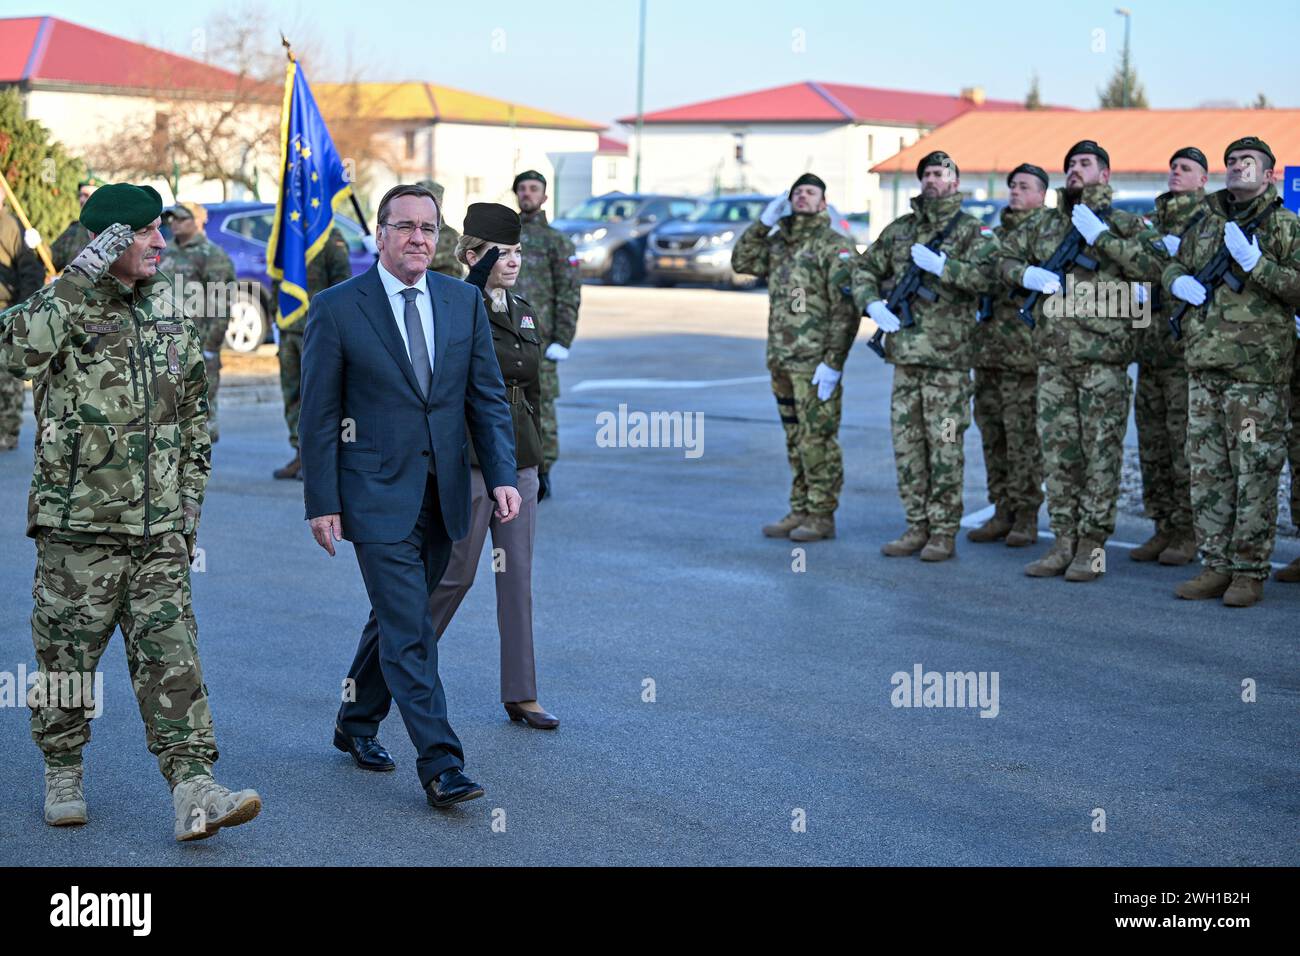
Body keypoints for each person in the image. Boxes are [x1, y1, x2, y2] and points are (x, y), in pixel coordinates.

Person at [0, 183, 261, 841]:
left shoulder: (171, 306)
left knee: (174, 663)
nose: (157, 240)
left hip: (160, 534)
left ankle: (193, 788)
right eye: (142, 232)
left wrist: (189, 503)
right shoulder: (65, 306)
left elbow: (197, 416)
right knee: (65, 662)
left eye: (159, 229)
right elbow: (13, 352)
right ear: (108, 240)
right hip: (77, 531)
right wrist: (78, 278)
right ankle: (63, 769)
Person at [300, 183, 521, 808]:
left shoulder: (460, 301)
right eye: (405, 227)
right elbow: (318, 415)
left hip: (444, 491)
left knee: (398, 619)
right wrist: (322, 501)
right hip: (372, 494)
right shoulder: (339, 307)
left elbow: (486, 398)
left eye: (428, 228)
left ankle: (355, 719)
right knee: (409, 628)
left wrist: (501, 474)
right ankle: (441, 762)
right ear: (380, 234)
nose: (419, 238)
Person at [999, 140, 1164, 582]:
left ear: (1105, 175)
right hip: (1052, 363)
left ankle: (1092, 547)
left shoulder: (1127, 223)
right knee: (1059, 458)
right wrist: (1024, 274)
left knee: (1100, 459)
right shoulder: (1046, 225)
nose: (1075, 170)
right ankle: (1063, 542)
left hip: (1103, 364)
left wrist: (1102, 239)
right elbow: (1000, 256)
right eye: (1070, 163)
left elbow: (1156, 266)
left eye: (1085, 163)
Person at [426, 203, 558, 729]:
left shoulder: (523, 309)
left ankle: (522, 694)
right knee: (455, 574)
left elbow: (535, 389)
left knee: (517, 577)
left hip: (518, 456)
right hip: (473, 457)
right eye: (502, 253)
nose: (514, 261)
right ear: (472, 254)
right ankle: (396, 667)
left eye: (519, 252)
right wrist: (474, 278)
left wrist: (542, 460)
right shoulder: (453, 301)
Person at [1163, 137, 1300, 607]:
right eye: (1231, 161)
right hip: (1204, 369)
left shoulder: (1284, 225)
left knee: (1254, 472)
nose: (1237, 167)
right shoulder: (1203, 222)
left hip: (1255, 374)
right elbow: (1174, 265)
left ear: (1269, 175)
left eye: (1248, 162)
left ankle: (1248, 570)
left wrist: (1256, 265)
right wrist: (1175, 280)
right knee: (1207, 473)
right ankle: (1215, 565)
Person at [852, 152, 1001, 560]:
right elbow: (864, 269)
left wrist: (944, 267)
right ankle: (916, 525)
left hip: (949, 363)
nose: (933, 179)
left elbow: (990, 279)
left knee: (946, 446)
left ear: (955, 181)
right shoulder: (901, 230)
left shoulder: (973, 232)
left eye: (942, 173)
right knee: (908, 445)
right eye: (928, 174)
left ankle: (943, 531)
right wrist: (872, 304)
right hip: (905, 357)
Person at [732, 173, 860, 542]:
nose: (802, 196)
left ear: (823, 203)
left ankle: (822, 516)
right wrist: (763, 222)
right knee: (794, 438)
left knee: (817, 438)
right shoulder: (778, 244)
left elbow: (846, 309)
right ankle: (800, 508)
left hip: (814, 362)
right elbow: (741, 262)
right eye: (797, 192)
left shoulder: (834, 246)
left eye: (811, 192)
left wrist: (833, 361)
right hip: (782, 359)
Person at [1129, 148, 1210, 565]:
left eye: (1186, 169)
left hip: (1182, 356)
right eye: (1173, 167)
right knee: (1152, 445)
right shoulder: (1155, 220)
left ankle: (1188, 531)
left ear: (1203, 179)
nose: (1176, 173)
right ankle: (1162, 526)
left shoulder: (1209, 221)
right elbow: (1132, 265)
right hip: (1149, 352)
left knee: (1183, 447)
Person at [968, 163, 1049, 548]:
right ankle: (1000, 509)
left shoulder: (1049, 234)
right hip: (987, 354)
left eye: (1024, 186)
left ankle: (1026, 515)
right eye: (1012, 185)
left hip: (1026, 358)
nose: (1015, 191)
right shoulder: (993, 236)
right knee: (992, 435)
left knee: (1024, 441)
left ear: (1042, 195)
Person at [512, 170, 581, 499]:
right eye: (522, 188)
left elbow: (569, 293)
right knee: (504, 404)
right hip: (504, 337)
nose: (527, 194)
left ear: (544, 196)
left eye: (533, 189)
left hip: (541, 340)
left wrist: (563, 340)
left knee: (542, 408)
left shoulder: (557, 241)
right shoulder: (503, 238)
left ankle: (543, 470)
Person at [272, 225, 351, 480]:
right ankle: (300, 452)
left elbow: (342, 282)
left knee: (320, 396)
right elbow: (277, 278)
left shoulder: (329, 236)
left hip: (318, 329)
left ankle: (320, 459)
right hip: (289, 328)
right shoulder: (286, 233)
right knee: (292, 392)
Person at [161, 202, 236, 442]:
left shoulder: (211, 255)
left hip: (197, 344)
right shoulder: (166, 250)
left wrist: (211, 346)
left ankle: (197, 471)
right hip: (165, 342)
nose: (174, 223)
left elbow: (221, 303)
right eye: (172, 219)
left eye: (181, 219)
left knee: (200, 414)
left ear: (199, 220)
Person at [0, 196, 44, 450]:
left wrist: (21, 307)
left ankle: (8, 432)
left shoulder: (11, 226)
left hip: (6, 310)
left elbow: (31, 270)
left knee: (7, 377)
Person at [417, 180, 464, 278]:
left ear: (440, 202)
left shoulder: (450, 236)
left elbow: (453, 273)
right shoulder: (404, 230)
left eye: (430, 201)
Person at [49, 179, 98, 272]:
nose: (82, 200)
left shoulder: (113, 230)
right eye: (80, 195)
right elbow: (52, 258)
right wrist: (37, 247)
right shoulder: (74, 230)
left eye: (86, 195)